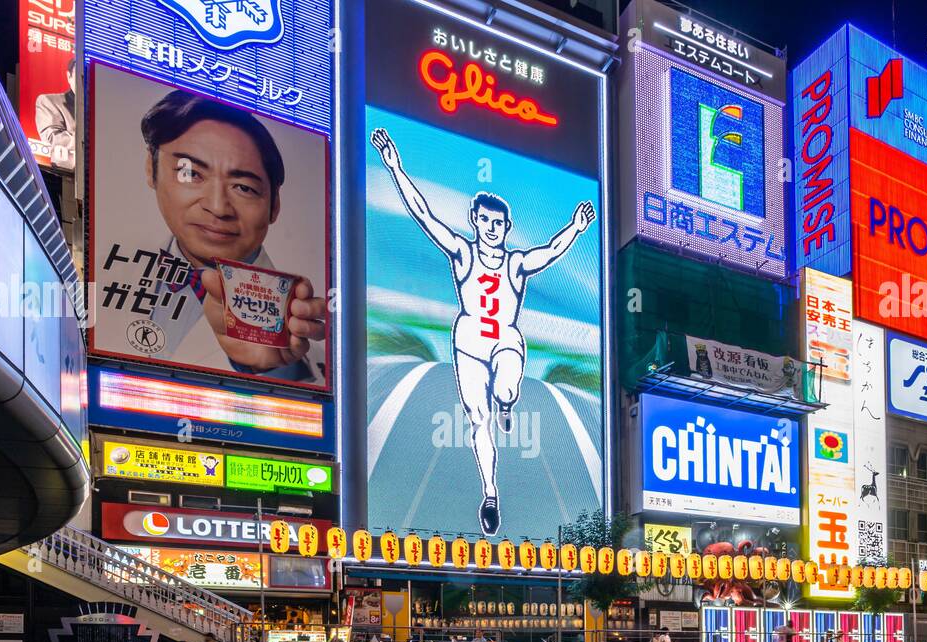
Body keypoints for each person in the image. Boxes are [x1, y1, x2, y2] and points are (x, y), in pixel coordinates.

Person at [371, 127, 597, 536]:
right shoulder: (462, 253)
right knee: (479, 419)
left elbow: (549, 251)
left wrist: (576, 228)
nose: (492, 227)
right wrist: (395, 167)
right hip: (469, 342)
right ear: (476, 221)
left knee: (507, 390)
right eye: (486, 220)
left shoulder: (515, 264)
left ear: (507, 226)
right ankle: (490, 493)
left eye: (499, 222)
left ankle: (507, 401)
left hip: (506, 340)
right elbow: (424, 214)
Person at [129, 90, 328, 380]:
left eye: (243, 188)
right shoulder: (113, 271)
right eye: (191, 173)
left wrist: (271, 370)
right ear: (152, 168)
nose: (218, 207)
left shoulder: (302, 331)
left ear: (275, 206)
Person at [35, 57, 76, 171]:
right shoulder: (48, 101)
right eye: (81, 76)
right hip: (68, 166)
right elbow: (54, 138)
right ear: (69, 76)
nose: (85, 81)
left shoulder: (100, 109)